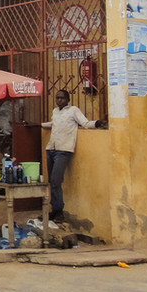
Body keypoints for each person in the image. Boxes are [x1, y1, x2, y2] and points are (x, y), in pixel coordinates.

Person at [40, 89, 107, 221]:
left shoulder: (73, 110)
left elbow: (85, 123)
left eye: (62, 98)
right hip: (51, 149)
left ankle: (59, 211)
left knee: (56, 180)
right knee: (51, 182)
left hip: (63, 150)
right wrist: (40, 125)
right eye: (57, 98)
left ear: (68, 99)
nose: (59, 100)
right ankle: (54, 209)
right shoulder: (55, 111)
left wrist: (98, 123)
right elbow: (54, 124)